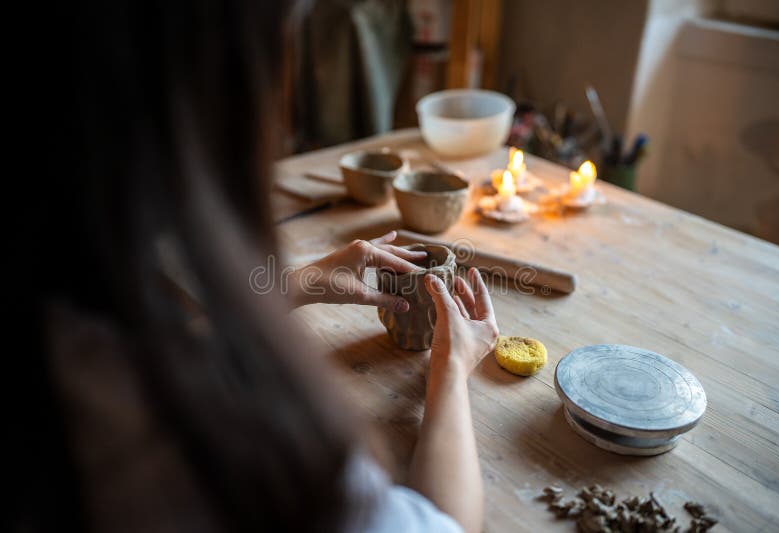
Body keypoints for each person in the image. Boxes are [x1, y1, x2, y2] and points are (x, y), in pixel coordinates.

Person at [19, 1, 498, 532]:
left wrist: (287, 287)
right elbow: (440, 525)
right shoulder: (241, 452)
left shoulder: (71, 322)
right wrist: (451, 368)